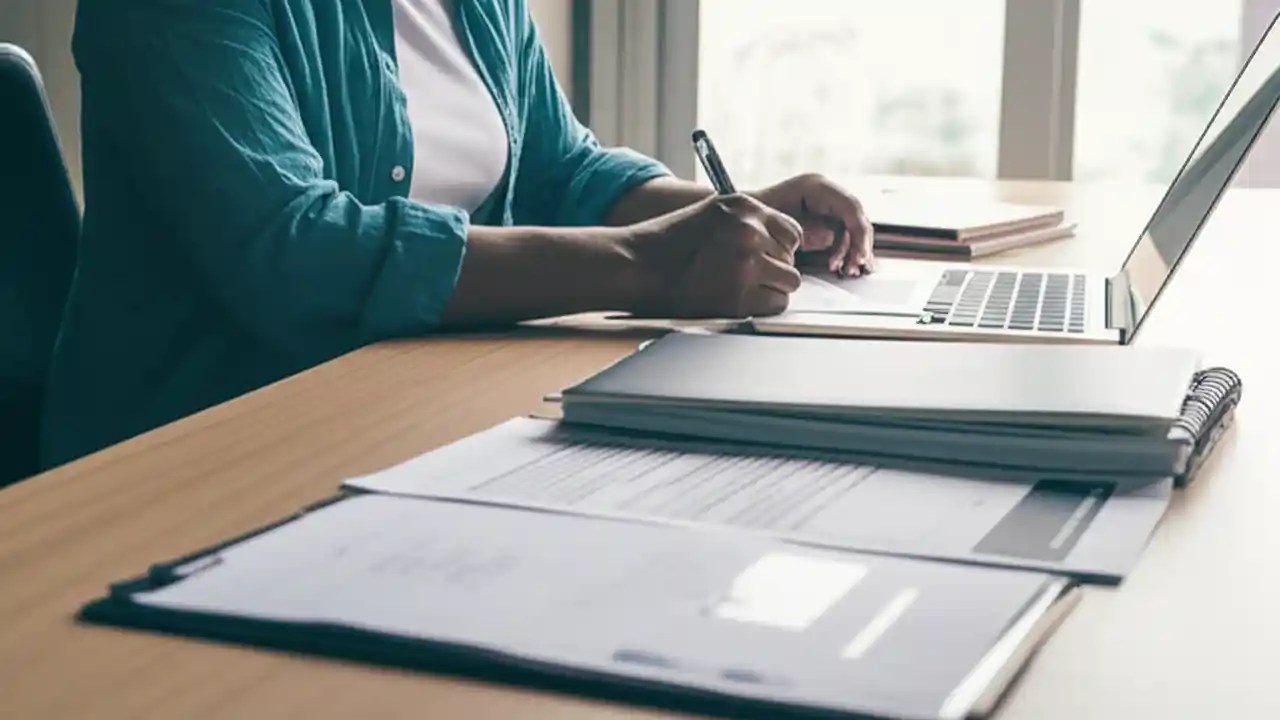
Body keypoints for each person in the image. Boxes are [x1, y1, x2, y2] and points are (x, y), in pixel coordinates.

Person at [42, 0, 875, 468]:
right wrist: (647, 265)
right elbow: (292, 250)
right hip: (196, 454)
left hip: (402, 416)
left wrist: (725, 218)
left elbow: (562, 168)